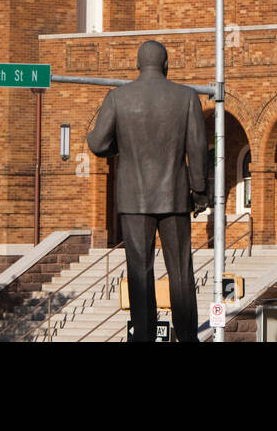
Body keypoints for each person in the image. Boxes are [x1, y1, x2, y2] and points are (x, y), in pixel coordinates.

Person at [87, 40, 209, 342]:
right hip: (175, 197)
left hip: (134, 199)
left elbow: (97, 143)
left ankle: (142, 335)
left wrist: (122, 147)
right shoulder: (186, 97)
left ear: (138, 65)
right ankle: (187, 336)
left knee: (140, 272)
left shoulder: (118, 98)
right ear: (166, 65)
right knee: (180, 270)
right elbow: (197, 147)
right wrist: (200, 190)